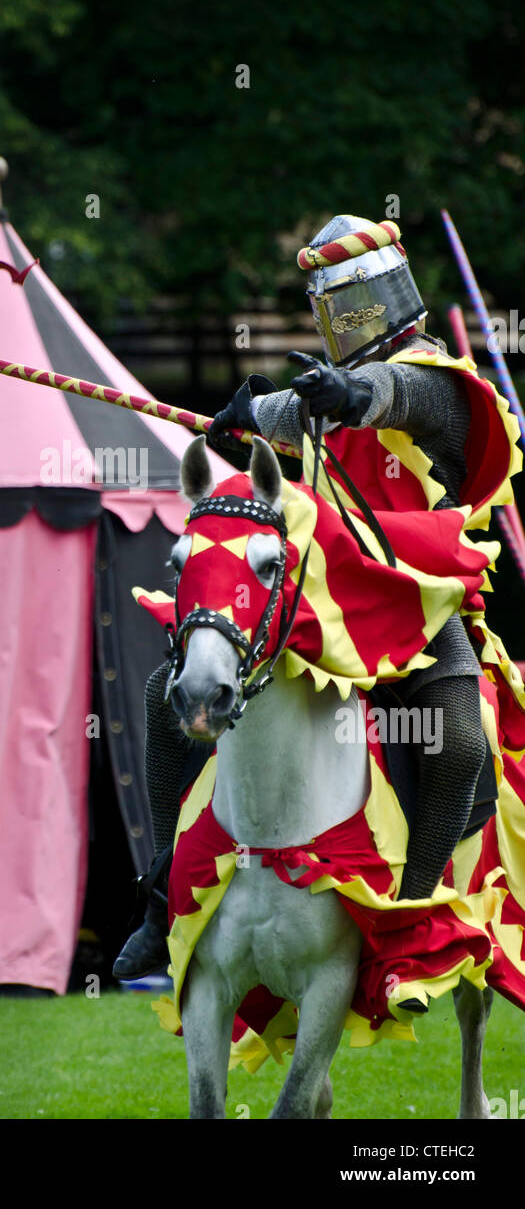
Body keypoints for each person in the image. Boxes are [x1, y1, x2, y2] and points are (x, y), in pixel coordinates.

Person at [113, 214, 513, 981]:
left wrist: (345, 392)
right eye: (330, 306)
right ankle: (162, 900)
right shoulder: (322, 400)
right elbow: (296, 411)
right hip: (323, 598)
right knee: (171, 687)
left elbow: (388, 396)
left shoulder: (440, 382)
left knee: (458, 740)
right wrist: (244, 415)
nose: (342, 321)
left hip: (416, 603)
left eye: (353, 303)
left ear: (388, 295)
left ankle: (412, 919)